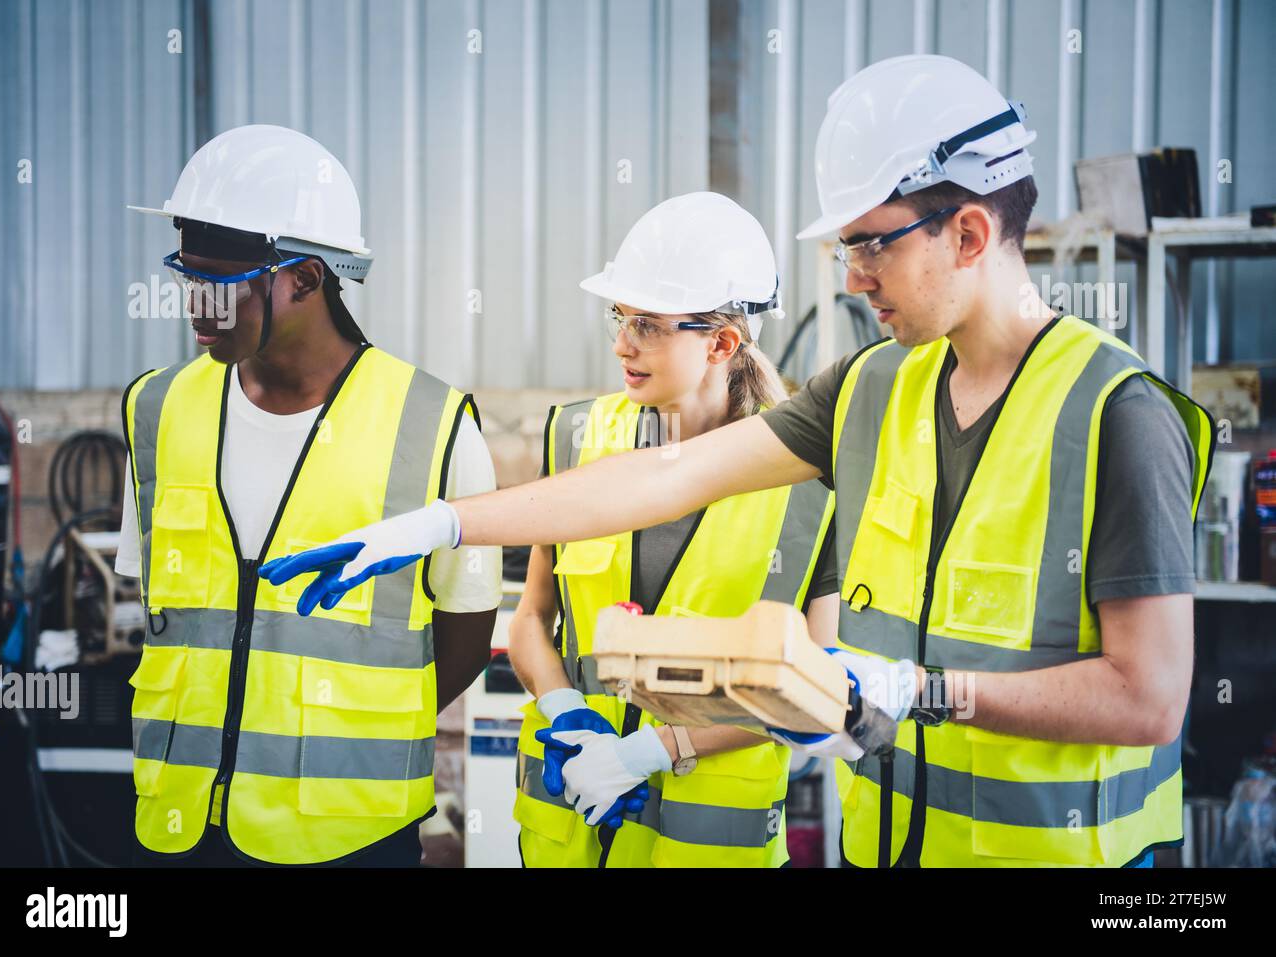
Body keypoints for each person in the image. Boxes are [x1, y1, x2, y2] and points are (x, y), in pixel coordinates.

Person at [262, 56, 1214, 868]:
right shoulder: (873, 389)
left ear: (967, 233)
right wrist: (446, 523)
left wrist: (926, 692)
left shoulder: (1116, 414)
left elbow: (1151, 697)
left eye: (871, 245)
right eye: (845, 249)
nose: (851, 278)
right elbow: (664, 477)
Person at [118, 124, 501, 867]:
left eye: (219, 282)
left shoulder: (433, 424)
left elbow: (464, 637)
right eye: (185, 274)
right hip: (181, 824)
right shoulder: (156, 412)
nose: (197, 303)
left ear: (305, 277)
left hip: (349, 833)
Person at [505, 193, 838, 867]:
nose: (623, 342)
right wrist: (566, 707)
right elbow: (531, 620)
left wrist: (653, 749)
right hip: (567, 838)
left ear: (722, 342)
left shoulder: (808, 486)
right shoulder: (575, 435)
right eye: (620, 317)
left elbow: (818, 689)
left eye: (650, 325)